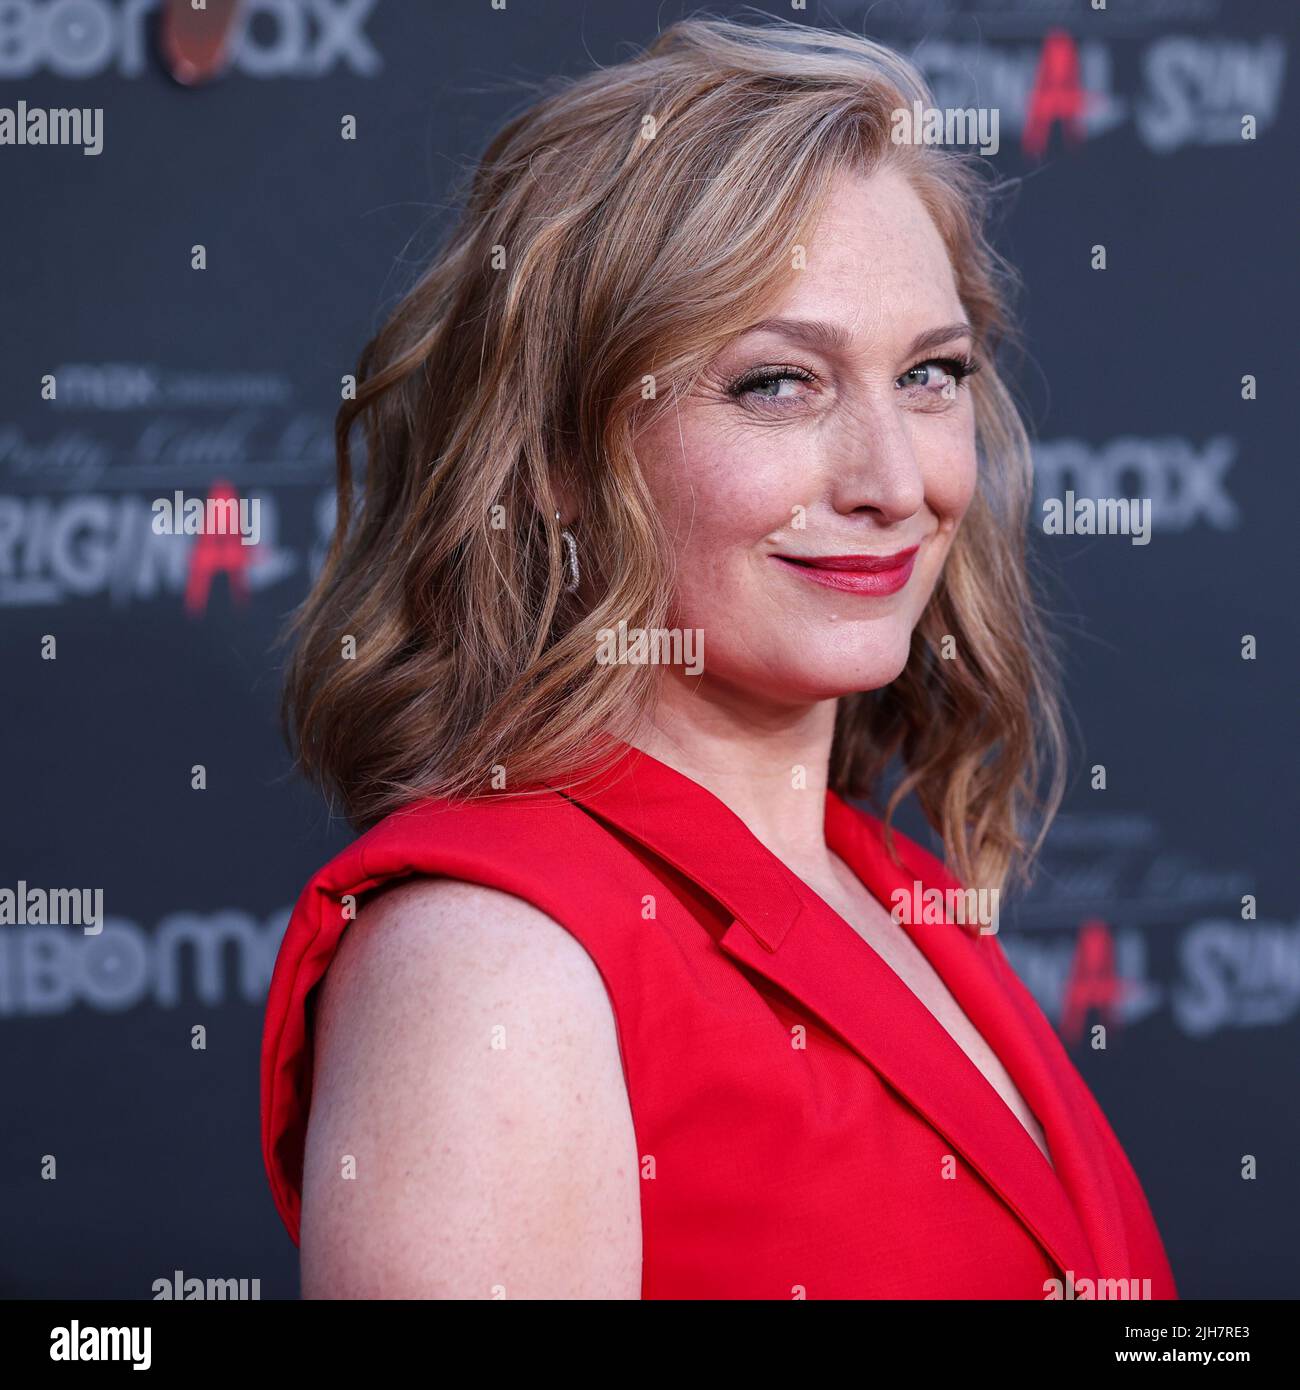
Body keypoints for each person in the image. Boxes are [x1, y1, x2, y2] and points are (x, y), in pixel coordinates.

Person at [260, 14, 1178, 1300]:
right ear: (561, 462)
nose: (892, 480)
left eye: (929, 374)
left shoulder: (885, 884)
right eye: (775, 384)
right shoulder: (492, 963)